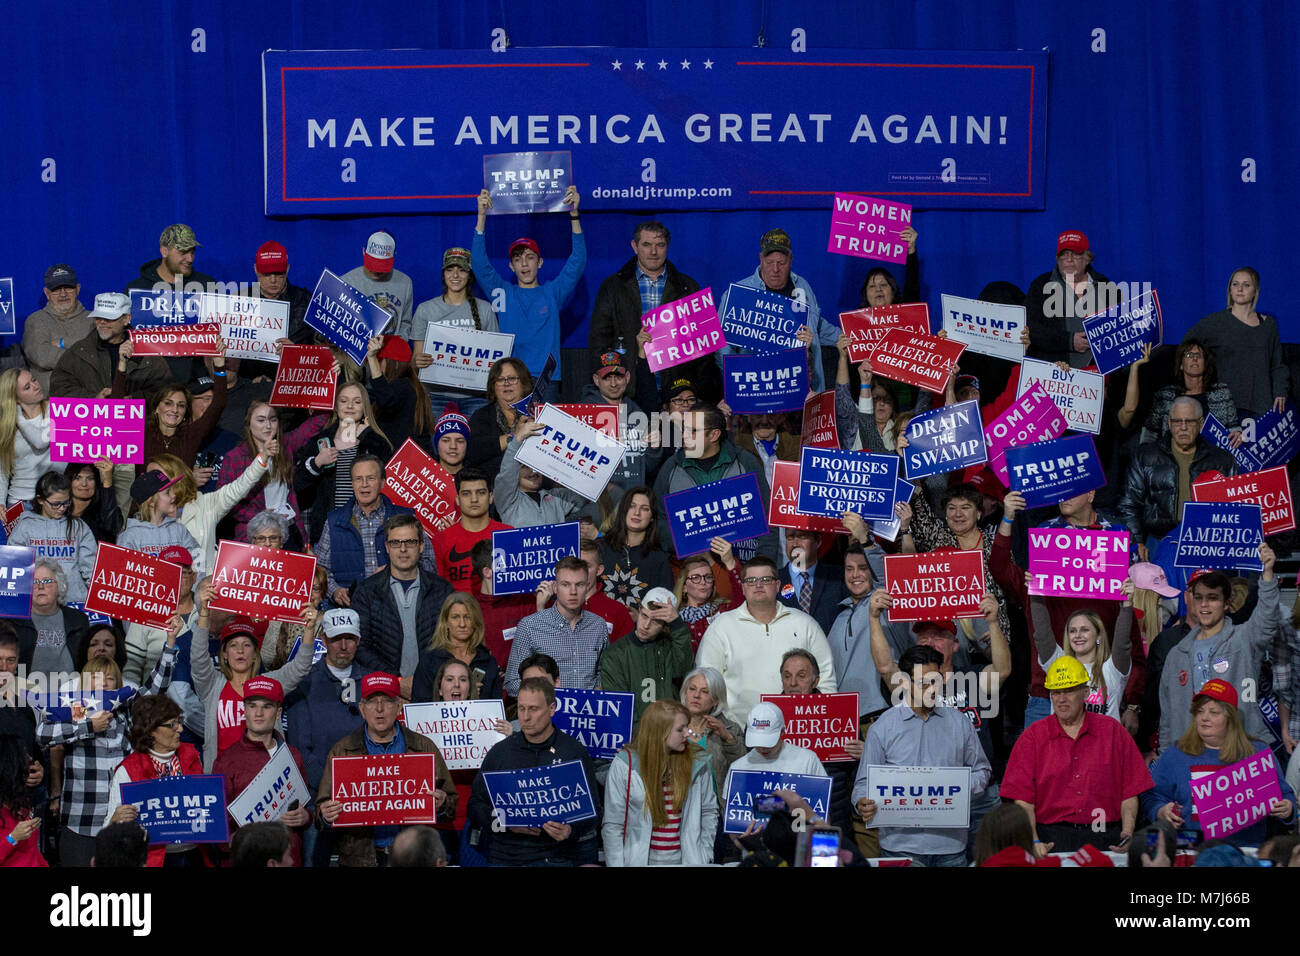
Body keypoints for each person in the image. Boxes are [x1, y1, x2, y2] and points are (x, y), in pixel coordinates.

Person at [35, 620, 179, 866]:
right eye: (95, 678)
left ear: (117, 684)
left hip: (123, 817)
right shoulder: (73, 708)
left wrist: (170, 642)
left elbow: (156, 688)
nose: (102, 683)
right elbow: (43, 734)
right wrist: (88, 725)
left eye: (109, 679)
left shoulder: (126, 709)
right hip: (80, 819)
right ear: (83, 683)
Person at [853, 645, 992, 866]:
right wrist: (862, 802)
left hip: (951, 846)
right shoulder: (884, 727)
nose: (932, 689)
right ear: (905, 683)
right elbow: (864, 783)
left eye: (936, 680)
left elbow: (982, 770)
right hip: (899, 847)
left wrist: (961, 787)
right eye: (923, 683)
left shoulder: (959, 722)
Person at [1000, 655, 1152, 854]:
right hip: (1051, 838)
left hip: (1106, 835)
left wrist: (1128, 831)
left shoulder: (1113, 731)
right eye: (1056, 692)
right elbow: (1022, 798)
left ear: (1086, 692)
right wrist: (1034, 841)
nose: (1062, 699)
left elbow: (1130, 790)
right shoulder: (1032, 738)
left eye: (1069, 691)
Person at [315, 672, 458, 867]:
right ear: (362, 709)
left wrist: (442, 803)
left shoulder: (424, 747)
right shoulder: (342, 750)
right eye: (373, 702)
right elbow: (321, 812)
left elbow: (451, 804)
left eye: (388, 701)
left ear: (399, 706)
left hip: (412, 857)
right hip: (360, 859)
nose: (380, 709)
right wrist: (325, 814)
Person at [1144, 678, 1295, 846]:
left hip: (1245, 850)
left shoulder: (1257, 752)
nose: (1204, 718)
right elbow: (1151, 796)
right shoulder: (1176, 754)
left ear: (1230, 718)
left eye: (1214, 712)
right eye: (1200, 712)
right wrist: (1160, 811)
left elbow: (1285, 795)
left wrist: (1288, 808)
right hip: (1191, 849)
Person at [467, 676, 600, 866]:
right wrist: (506, 821)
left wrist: (570, 830)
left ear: (552, 709)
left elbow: (593, 811)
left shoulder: (572, 752)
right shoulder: (500, 752)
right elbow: (476, 806)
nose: (525, 717)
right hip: (504, 856)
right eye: (521, 708)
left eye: (533, 709)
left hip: (554, 856)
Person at [1159, 549, 1281, 752]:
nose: (1204, 604)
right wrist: (1167, 757)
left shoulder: (1243, 639)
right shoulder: (1176, 655)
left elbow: (1267, 619)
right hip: (1191, 753)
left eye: (1212, 597)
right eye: (1199, 597)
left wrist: (1267, 573)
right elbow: (1167, 717)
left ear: (1226, 603)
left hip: (1241, 750)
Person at [189, 580, 318, 771]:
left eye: (246, 645)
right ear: (224, 654)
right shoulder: (212, 685)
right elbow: (198, 658)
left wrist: (309, 629)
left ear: (255, 653)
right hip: (223, 774)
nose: (240, 650)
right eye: (233, 645)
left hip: (265, 774)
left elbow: (301, 667)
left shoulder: (269, 683)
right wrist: (204, 614)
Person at [589, 219, 718, 410]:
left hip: (676, 394)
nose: (653, 252)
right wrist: (615, 385)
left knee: (673, 439)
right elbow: (599, 342)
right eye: (646, 245)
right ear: (635, 246)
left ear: (668, 247)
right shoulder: (613, 287)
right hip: (628, 393)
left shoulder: (688, 287)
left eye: (660, 245)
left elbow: (703, 353)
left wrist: (694, 393)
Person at [695, 556, 837, 725]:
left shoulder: (805, 623)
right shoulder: (721, 627)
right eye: (751, 580)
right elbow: (706, 682)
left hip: (796, 730)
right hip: (737, 734)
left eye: (765, 579)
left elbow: (826, 682)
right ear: (742, 587)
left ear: (777, 585)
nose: (758, 585)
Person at [472, 186, 586, 394]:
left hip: (547, 380)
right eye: (517, 259)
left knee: (546, 428)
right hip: (512, 378)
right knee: (512, 428)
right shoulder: (502, 292)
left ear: (540, 262)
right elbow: (479, 265)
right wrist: (481, 217)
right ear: (511, 266)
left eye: (530, 257)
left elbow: (577, 262)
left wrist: (574, 216)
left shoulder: (552, 292)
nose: (524, 264)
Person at [283, 608, 368, 867]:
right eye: (335, 639)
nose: (343, 646)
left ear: (359, 641)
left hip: (366, 797)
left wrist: (360, 789)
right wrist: (334, 789)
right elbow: (299, 748)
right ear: (322, 639)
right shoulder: (304, 683)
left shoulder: (372, 683)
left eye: (350, 639)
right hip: (319, 799)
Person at [652, 404, 776, 560]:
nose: (684, 436)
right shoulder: (671, 467)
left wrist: (764, 562)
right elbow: (659, 520)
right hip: (690, 570)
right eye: (684, 429)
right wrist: (687, 543)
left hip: (742, 566)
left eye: (693, 431)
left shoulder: (744, 462)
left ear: (714, 435)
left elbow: (767, 516)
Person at [715, 228, 832, 391]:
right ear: (761, 259)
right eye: (770, 262)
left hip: (799, 387)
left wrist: (850, 339)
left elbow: (817, 325)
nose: (775, 269)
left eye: (782, 263)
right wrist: (738, 384)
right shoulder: (738, 294)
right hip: (758, 388)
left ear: (791, 260)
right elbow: (723, 348)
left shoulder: (802, 286)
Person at [603, 698, 717, 866]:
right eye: (680, 729)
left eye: (687, 726)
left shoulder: (697, 761)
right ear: (660, 732)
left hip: (687, 862)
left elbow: (709, 812)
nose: (687, 733)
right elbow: (613, 825)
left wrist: (704, 855)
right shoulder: (624, 764)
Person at [352, 514, 455, 698]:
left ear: (421, 546)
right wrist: (396, 681)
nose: (403, 549)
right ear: (386, 547)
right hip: (384, 691)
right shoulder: (367, 592)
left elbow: (452, 641)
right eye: (395, 543)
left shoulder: (442, 590)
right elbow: (361, 646)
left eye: (410, 542)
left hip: (434, 688)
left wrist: (426, 678)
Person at [212, 676, 312, 865]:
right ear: (244, 710)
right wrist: (233, 842)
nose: (258, 713)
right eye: (252, 706)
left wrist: (306, 817)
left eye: (267, 706)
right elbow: (218, 827)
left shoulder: (293, 755)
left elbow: (304, 808)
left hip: (288, 859)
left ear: (278, 712)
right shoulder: (226, 761)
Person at [101, 694, 207, 866]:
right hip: (154, 859)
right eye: (173, 724)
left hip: (194, 853)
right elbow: (108, 829)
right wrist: (115, 819)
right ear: (151, 730)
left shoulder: (191, 755)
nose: (180, 729)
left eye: (179, 721)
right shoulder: (128, 770)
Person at [316, 454, 431, 606]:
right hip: (350, 609)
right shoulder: (333, 521)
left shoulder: (407, 517)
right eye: (358, 479)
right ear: (352, 484)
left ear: (383, 482)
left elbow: (429, 564)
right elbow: (321, 570)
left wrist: (398, 571)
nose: (364, 484)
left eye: (370, 478)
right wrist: (335, 591)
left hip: (399, 605)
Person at [219, 402, 328, 550]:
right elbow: (224, 501)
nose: (268, 425)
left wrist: (325, 390)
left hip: (288, 531)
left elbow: (316, 423)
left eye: (273, 419)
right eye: (261, 420)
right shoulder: (236, 457)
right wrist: (262, 516)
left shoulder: (285, 445)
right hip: (254, 535)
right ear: (248, 423)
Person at [295, 382, 394, 543]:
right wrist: (317, 463)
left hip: (367, 527)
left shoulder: (374, 441)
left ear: (365, 407)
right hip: (328, 529)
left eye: (357, 401)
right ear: (335, 406)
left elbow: (388, 477)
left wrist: (366, 436)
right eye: (344, 401)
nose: (350, 406)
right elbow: (298, 484)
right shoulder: (320, 441)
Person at [1185, 267, 1290, 419]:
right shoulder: (1215, 322)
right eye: (1235, 284)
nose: (1240, 289)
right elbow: (1185, 349)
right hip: (1225, 406)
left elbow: (1278, 364)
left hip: (1261, 405)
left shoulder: (1269, 324)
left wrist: (1281, 390)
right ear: (1230, 289)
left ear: (1255, 290)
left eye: (1246, 285)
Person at [144, 452, 269, 576]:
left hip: (200, 589)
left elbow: (240, 486)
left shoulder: (206, 505)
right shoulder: (144, 516)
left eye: (155, 476)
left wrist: (262, 458)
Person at [413, 247, 498, 419]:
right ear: (443, 274)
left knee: (475, 445)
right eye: (450, 270)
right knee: (437, 445)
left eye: (462, 270)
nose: (455, 275)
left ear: (470, 275)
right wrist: (417, 361)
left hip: (476, 396)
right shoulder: (425, 310)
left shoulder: (485, 309)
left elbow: (495, 359)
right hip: (435, 396)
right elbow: (416, 359)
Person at [503, 556, 609, 694]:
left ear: (587, 587)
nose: (573, 592)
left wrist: (598, 691)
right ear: (555, 588)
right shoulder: (529, 626)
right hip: (547, 710)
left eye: (579, 584)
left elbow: (604, 673)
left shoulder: (598, 625)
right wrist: (544, 693)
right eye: (565, 584)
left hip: (588, 711)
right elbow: (512, 682)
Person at [1024, 230, 1122, 368]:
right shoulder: (1041, 286)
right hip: (1053, 372)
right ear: (1057, 259)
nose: (1069, 260)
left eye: (1075, 254)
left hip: (1098, 372)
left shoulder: (1105, 287)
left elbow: (1119, 328)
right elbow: (1031, 329)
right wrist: (1069, 341)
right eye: (1064, 255)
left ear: (1087, 259)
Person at [1030, 591, 1134, 721]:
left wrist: (1127, 604)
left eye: (1085, 630)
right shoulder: (1058, 662)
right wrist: (1035, 593)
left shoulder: (1113, 669)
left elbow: (1122, 643)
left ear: (1099, 636)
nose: (1078, 635)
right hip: (1064, 741)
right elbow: (1042, 634)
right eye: (1072, 631)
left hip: (1105, 741)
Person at [600, 589, 693, 727]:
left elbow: (683, 668)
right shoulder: (615, 654)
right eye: (644, 615)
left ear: (664, 626)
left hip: (670, 730)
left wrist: (677, 625)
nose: (646, 625)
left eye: (655, 621)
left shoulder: (669, 647)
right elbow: (619, 707)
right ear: (639, 610)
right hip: (636, 737)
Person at [50, 293, 170, 399]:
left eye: (109, 317)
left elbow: (164, 392)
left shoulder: (147, 353)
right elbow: (59, 389)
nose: (102, 322)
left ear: (126, 319)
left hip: (136, 423)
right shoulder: (79, 352)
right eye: (98, 317)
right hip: (93, 422)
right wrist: (93, 399)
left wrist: (133, 400)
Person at [1124, 340, 1239, 442]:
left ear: (1205, 364)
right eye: (1189, 355)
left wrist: (1237, 435)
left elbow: (1234, 427)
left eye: (1199, 355)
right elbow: (1150, 432)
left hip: (1212, 461)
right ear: (1181, 365)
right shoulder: (1165, 396)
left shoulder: (1222, 393)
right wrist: (1146, 457)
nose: (1194, 358)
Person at [8, 472, 96, 603]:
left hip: (74, 600)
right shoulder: (26, 525)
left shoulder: (79, 526)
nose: (61, 508)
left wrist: (97, 598)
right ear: (40, 500)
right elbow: (14, 567)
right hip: (37, 602)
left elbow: (90, 569)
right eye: (56, 504)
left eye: (66, 503)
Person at [494, 418, 595, 528]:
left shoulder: (558, 497)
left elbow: (589, 491)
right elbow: (507, 473)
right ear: (516, 472)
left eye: (536, 466)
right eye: (525, 467)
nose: (533, 471)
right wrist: (518, 438)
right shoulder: (508, 499)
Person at [126, 372, 228, 472]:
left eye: (181, 405)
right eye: (168, 403)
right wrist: (121, 367)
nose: (175, 410)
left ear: (185, 411)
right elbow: (115, 411)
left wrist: (219, 368)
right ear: (157, 407)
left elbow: (218, 404)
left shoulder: (190, 435)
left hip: (182, 489)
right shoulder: (141, 432)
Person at [411, 592, 504, 704]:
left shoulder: (488, 661)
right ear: (445, 622)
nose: (462, 624)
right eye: (455, 617)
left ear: (476, 622)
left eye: (467, 617)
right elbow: (419, 707)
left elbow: (496, 709)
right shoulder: (430, 660)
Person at [432, 468, 510, 592]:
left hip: (500, 608)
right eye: (466, 493)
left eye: (481, 492)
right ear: (457, 500)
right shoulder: (441, 539)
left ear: (490, 497)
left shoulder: (508, 534)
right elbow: (438, 590)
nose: (474, 499)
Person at [598, 485, 673, 608]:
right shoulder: (600, 547)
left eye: (644, 509)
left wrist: (640, 617)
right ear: (623, 510)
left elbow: (663, 606)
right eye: (632, 506)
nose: (637, 513)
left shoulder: (660, 559)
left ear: (652, 517)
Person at [12, 560, 89, 678]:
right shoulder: (15, 622)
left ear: (60, 586)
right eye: (34, 582)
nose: (40, 586)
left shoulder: (78, 620)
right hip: (26, 692)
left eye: (47, 581)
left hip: (71, 693)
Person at [680, 667, 745, 803]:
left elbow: (743, 772)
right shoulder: (668, 726)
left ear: (716, 700)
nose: (696, 695)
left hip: (716, 812)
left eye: (705, 692)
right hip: (677, 808)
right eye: (692, 689)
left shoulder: (730, 729)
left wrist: (728, 739)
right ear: (685, 693)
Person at [365, 334, 436, 455]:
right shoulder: (412, 386)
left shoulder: (403, 386)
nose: (374, 367)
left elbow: (386, 400)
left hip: (407, 464)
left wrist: (372, 358)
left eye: (379, 361)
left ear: (395, 364)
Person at [23, 263, 91, 392]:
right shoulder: (36, 320)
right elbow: (43, 357)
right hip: (49, 401)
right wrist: (85, 356)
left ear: (78, 289)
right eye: (56, 289)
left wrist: (62, 343)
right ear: (47, 293)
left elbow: (101, 357)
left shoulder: (94, 320)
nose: (63, 294)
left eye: (68, 288)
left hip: (88, 398)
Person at [466, 357, 532, 483]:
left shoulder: (537, 413)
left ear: (523, 383)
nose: (506, 383)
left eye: (512, 378)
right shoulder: (481, 416)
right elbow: (474, 452)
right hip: (493, 484)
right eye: (500, 380)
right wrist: (515, 436)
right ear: (493, 386)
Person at [115, 469, 201, 564]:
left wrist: (199, 579)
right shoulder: (130, 536)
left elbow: (198, 562)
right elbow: (123, 571)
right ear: (151, 502)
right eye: (167, 492)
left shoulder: (180, 531)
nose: (174, 495)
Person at [340, 230, 415, 339]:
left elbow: (405, 322)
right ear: (363, 252)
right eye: (373, 263)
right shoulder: (346, 282)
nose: (376, 271)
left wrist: (397, 344)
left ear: (394, 256)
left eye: (382, 266)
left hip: (390, 351)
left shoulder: (405, 282)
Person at [673, 539, 743, 651]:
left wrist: (730, 562)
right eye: (695, 577)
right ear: (684, 587)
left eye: (708, 577)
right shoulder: (673, 619)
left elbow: (743, 600)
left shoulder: (724, 610)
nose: (703, 582)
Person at [777, 528, 847, 637]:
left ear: (818, 541)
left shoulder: (838, 578)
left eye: (802, 537)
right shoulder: (773, 580)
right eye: (790, 537)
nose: (795, 544)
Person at [729, 701, 827, 775]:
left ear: (782, 732)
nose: (762, 748)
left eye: (768, 742)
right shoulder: (738, 768)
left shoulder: (808, 761)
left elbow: (822, 799)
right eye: (757, 742)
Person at [0, 368, 50, 507]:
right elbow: (2, 469)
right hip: (20, 501)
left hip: (54, 501)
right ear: (15, 398)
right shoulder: (7, 426)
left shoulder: (57, 411)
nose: (36, 386)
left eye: (33, 379)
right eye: (27, 387)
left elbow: (40, 442)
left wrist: (18, 417)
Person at [253, 241, 313, 347]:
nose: (273, 280)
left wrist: (295, 353)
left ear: (287, 269)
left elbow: (323, 350)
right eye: (266, 274)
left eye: (278, 273)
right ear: (256, 270)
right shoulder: (240, 300)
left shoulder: (307, 301)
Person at [0, 735, 45, 868]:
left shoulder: (22, 801)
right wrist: (13, 837)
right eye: (23, 753)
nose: (30, 758)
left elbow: (32, 851)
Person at [64, 461, 121, 543]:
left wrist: (107, 481)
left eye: (90, 478)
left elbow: (112, 527)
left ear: (96, 482)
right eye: (77, 478)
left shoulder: (106, 511)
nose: (84, 484)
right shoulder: (59, 511)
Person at [433, 405, 471, 477]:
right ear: (437, 444)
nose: (453, 446)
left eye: (460, 441)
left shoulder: (477, 477)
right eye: (446, 440)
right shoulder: (422, 476)